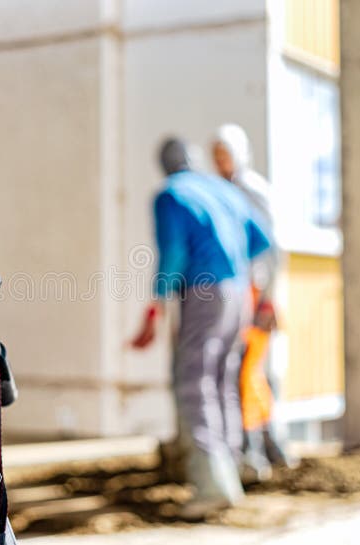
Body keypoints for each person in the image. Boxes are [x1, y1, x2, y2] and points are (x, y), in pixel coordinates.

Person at [130, 137, 273, 517]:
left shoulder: (171, 195)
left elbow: (173, 252)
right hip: (239, 290)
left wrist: (157, 303)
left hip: (205, 291)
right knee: (223, 378)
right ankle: (234, 467)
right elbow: (261, 240)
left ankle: (212, 484)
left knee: (194, 381)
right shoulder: (221, 189)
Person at [212, 124, 287, 474]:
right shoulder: (222, 191)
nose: (219, 163)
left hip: (257, 293)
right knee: (242, 370)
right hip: (241, 290)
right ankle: (266, 446)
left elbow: (272, 248)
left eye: (224, 155)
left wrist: (267, 298)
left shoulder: (251, 191)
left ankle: (260, 448)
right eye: (216, 156)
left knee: (248, 369)